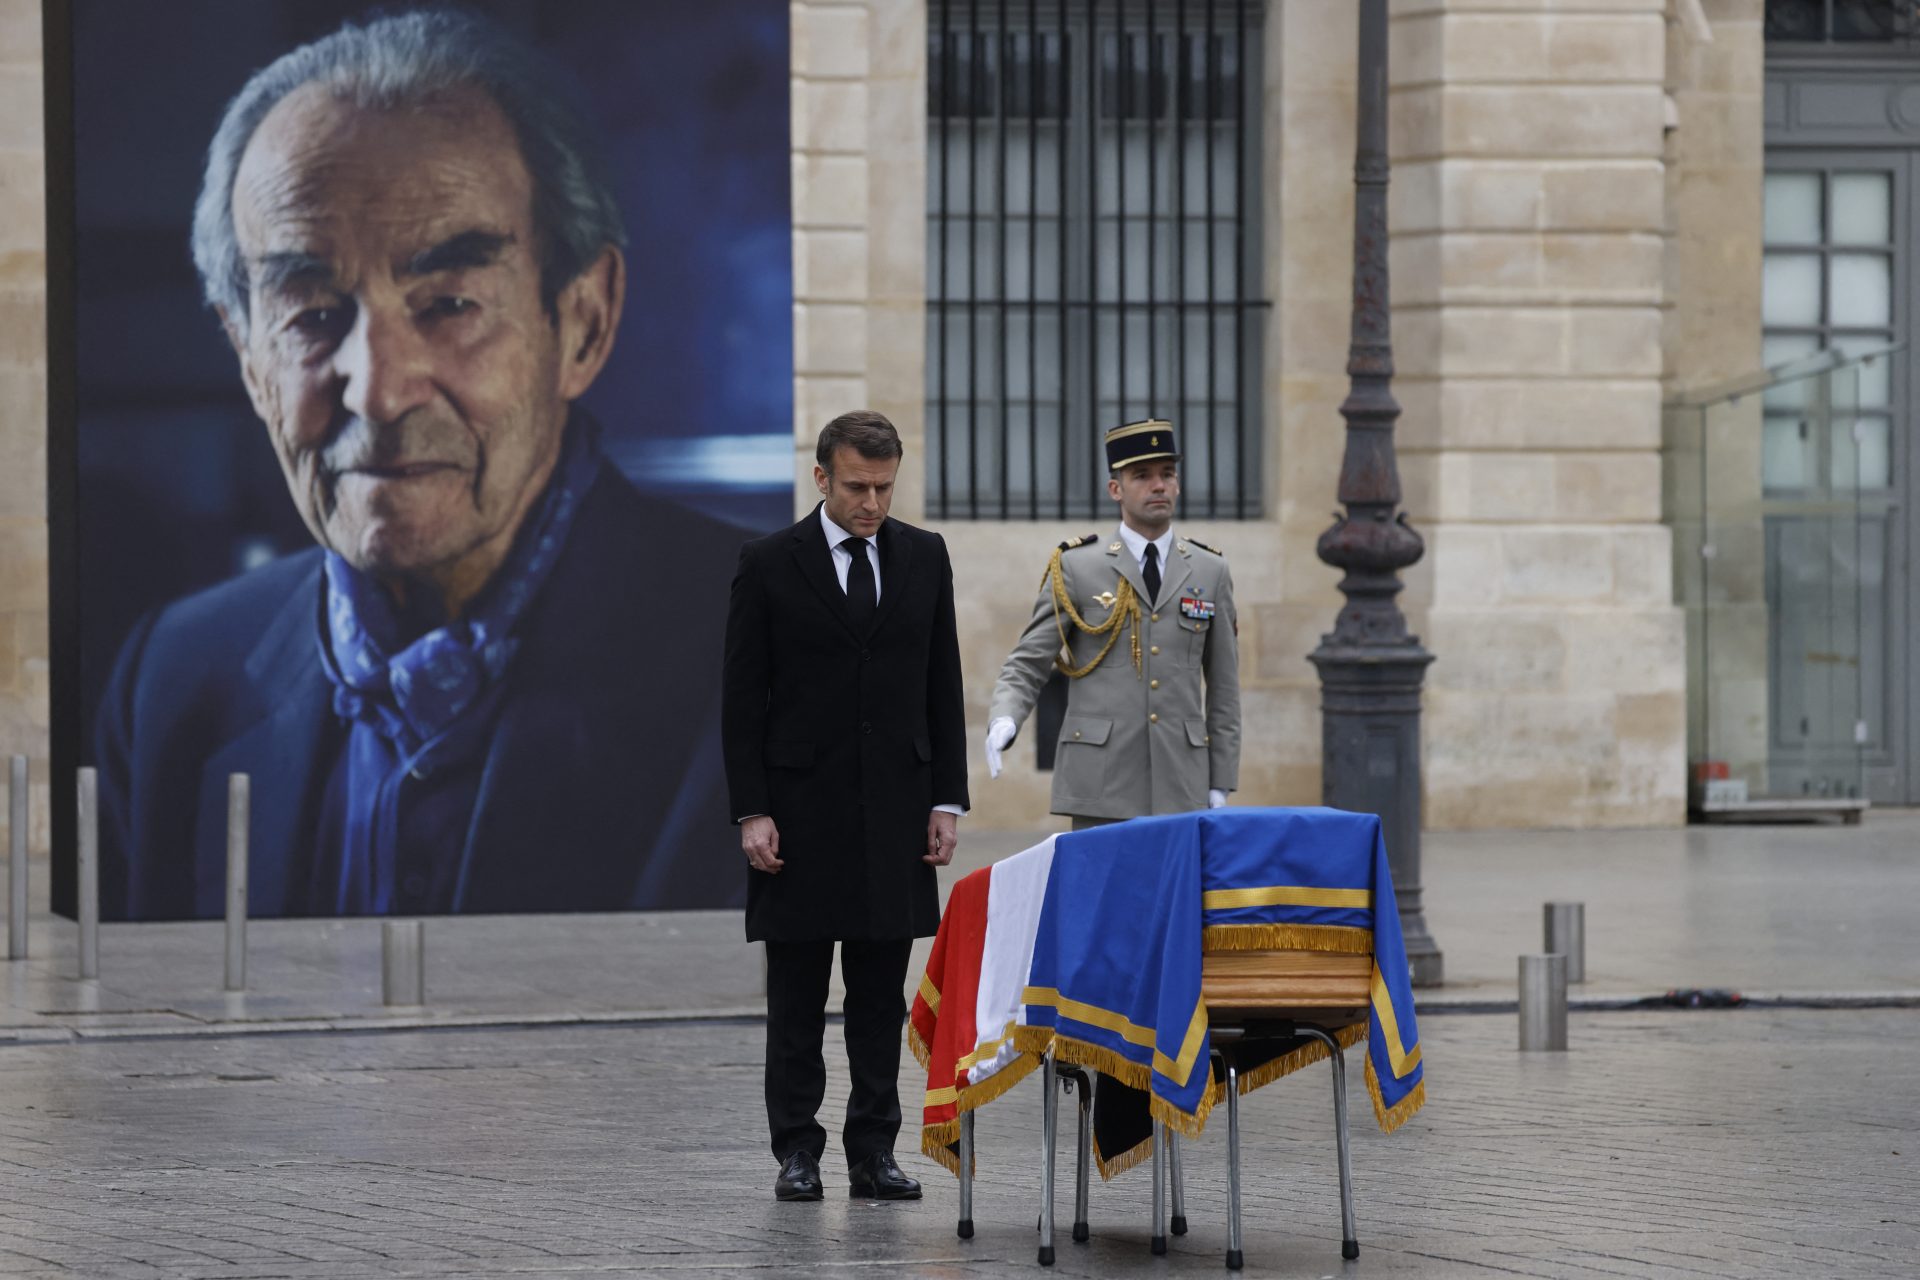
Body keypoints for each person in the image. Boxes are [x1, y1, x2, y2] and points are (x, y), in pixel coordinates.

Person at [93, 10, 742, 919]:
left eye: (448, 302)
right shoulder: (175, 681)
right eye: (311, 315)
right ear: (248, 358)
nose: (378, 389)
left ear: (584, 323)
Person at [721, 411, 969, 1203]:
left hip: (894, 811)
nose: (872, 502)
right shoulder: (766, 564)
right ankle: (796, 1150)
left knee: (876, 995)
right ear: (821, 477)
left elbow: (943, 683)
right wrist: (751, 810)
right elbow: (740, 702)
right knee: (795, 993)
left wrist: (946, 800)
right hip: (797, 813)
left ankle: (875, 1151)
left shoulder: (925, 557)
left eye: (885, 487)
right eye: (857, 486)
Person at [985, 419, 1241, 827]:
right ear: (1115, 489)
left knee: (1175, 892)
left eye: (1167, 474)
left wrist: (1221, 781)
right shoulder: (1076, 565)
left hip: (1184, 782)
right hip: (1100, 782)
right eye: (1142, 476)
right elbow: (1029, 662)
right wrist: (1005, 718)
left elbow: (1224, 687)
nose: (1158, 485)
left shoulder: (1210, 570)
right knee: (1102, 891)